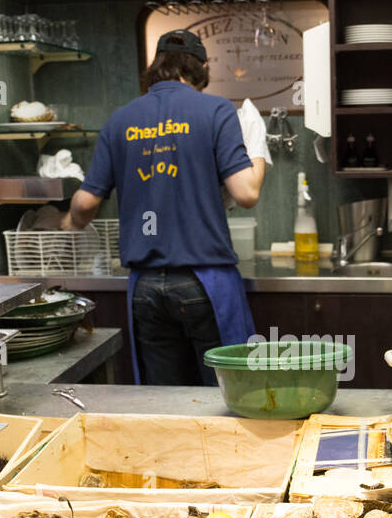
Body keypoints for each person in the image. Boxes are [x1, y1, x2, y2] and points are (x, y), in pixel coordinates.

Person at [62, 29, 266, 385]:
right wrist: (259, 150)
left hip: (144, 288)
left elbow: (85, 202)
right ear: (201, 67)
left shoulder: (121, 119)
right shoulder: (216, 109)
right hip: (205, 281)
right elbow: (246, 192)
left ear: (155, 67)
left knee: (165, 401)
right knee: (230, 395)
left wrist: (69, 223)